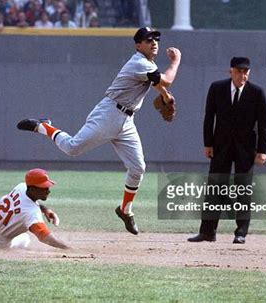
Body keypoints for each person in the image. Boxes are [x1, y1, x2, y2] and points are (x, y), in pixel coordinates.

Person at [17, 27, 181, 235]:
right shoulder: (138, 62)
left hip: (126, 121)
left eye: (155, 39)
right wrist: (175, 61)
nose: (154, 42)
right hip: (109, 113)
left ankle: (125, 211)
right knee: (72, 148)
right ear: (138, 45)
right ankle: (44, 126)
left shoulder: (148, 64)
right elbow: (165, 80)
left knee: (138, 168)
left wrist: (165, 95)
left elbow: (158, 83)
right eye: (148, 40)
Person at [188, 57, 266, 244]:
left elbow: (264, 124)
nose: (243, 75)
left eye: (246, 72)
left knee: (243, 189)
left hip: (246, 150)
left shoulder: (257, 92)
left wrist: (262, 150)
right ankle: (207, 232)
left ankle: (241, 232)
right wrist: (207, 144)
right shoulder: (217, 88)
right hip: (220, 147)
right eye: (239, 71)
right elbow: (209, 117)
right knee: (215, 188)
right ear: (230, 71)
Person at [0, 168, 69, 250]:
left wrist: (45, 209)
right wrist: (66, 247)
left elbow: (26, 204)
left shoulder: (21, 186)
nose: (48, 191)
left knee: (24, 237)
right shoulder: (31, 214)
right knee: (25, 240)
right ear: (33, 190)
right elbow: (44, 236)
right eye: (44, 188)